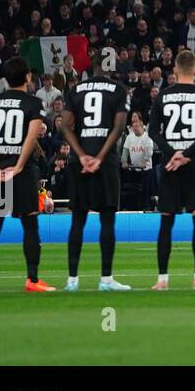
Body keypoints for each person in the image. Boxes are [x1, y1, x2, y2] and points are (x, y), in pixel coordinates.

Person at [0, 56, 55, 292]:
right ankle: (32, 280)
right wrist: (19, 166)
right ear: (28, 77)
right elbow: (31, 137)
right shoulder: (33, 103)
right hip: (23, 172)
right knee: (30, 225)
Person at [147, 49, 195, 291]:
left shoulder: (163, 95)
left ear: (175, 70)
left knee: (166, 220)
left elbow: (153, 131)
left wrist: (173, 153)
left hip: (170, 165)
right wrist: (186, 155)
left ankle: (162, 280)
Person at [60, 49, 132, 292]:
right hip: (106, 162)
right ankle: (106, 280)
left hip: (78, 162)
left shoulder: (75, 90)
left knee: (77, 220)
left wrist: (82, 155)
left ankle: (72, 280)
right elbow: (119, 127)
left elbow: (65, 126)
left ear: (93, 64)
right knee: (107, 220)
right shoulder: (119, 90)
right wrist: (99, 157)